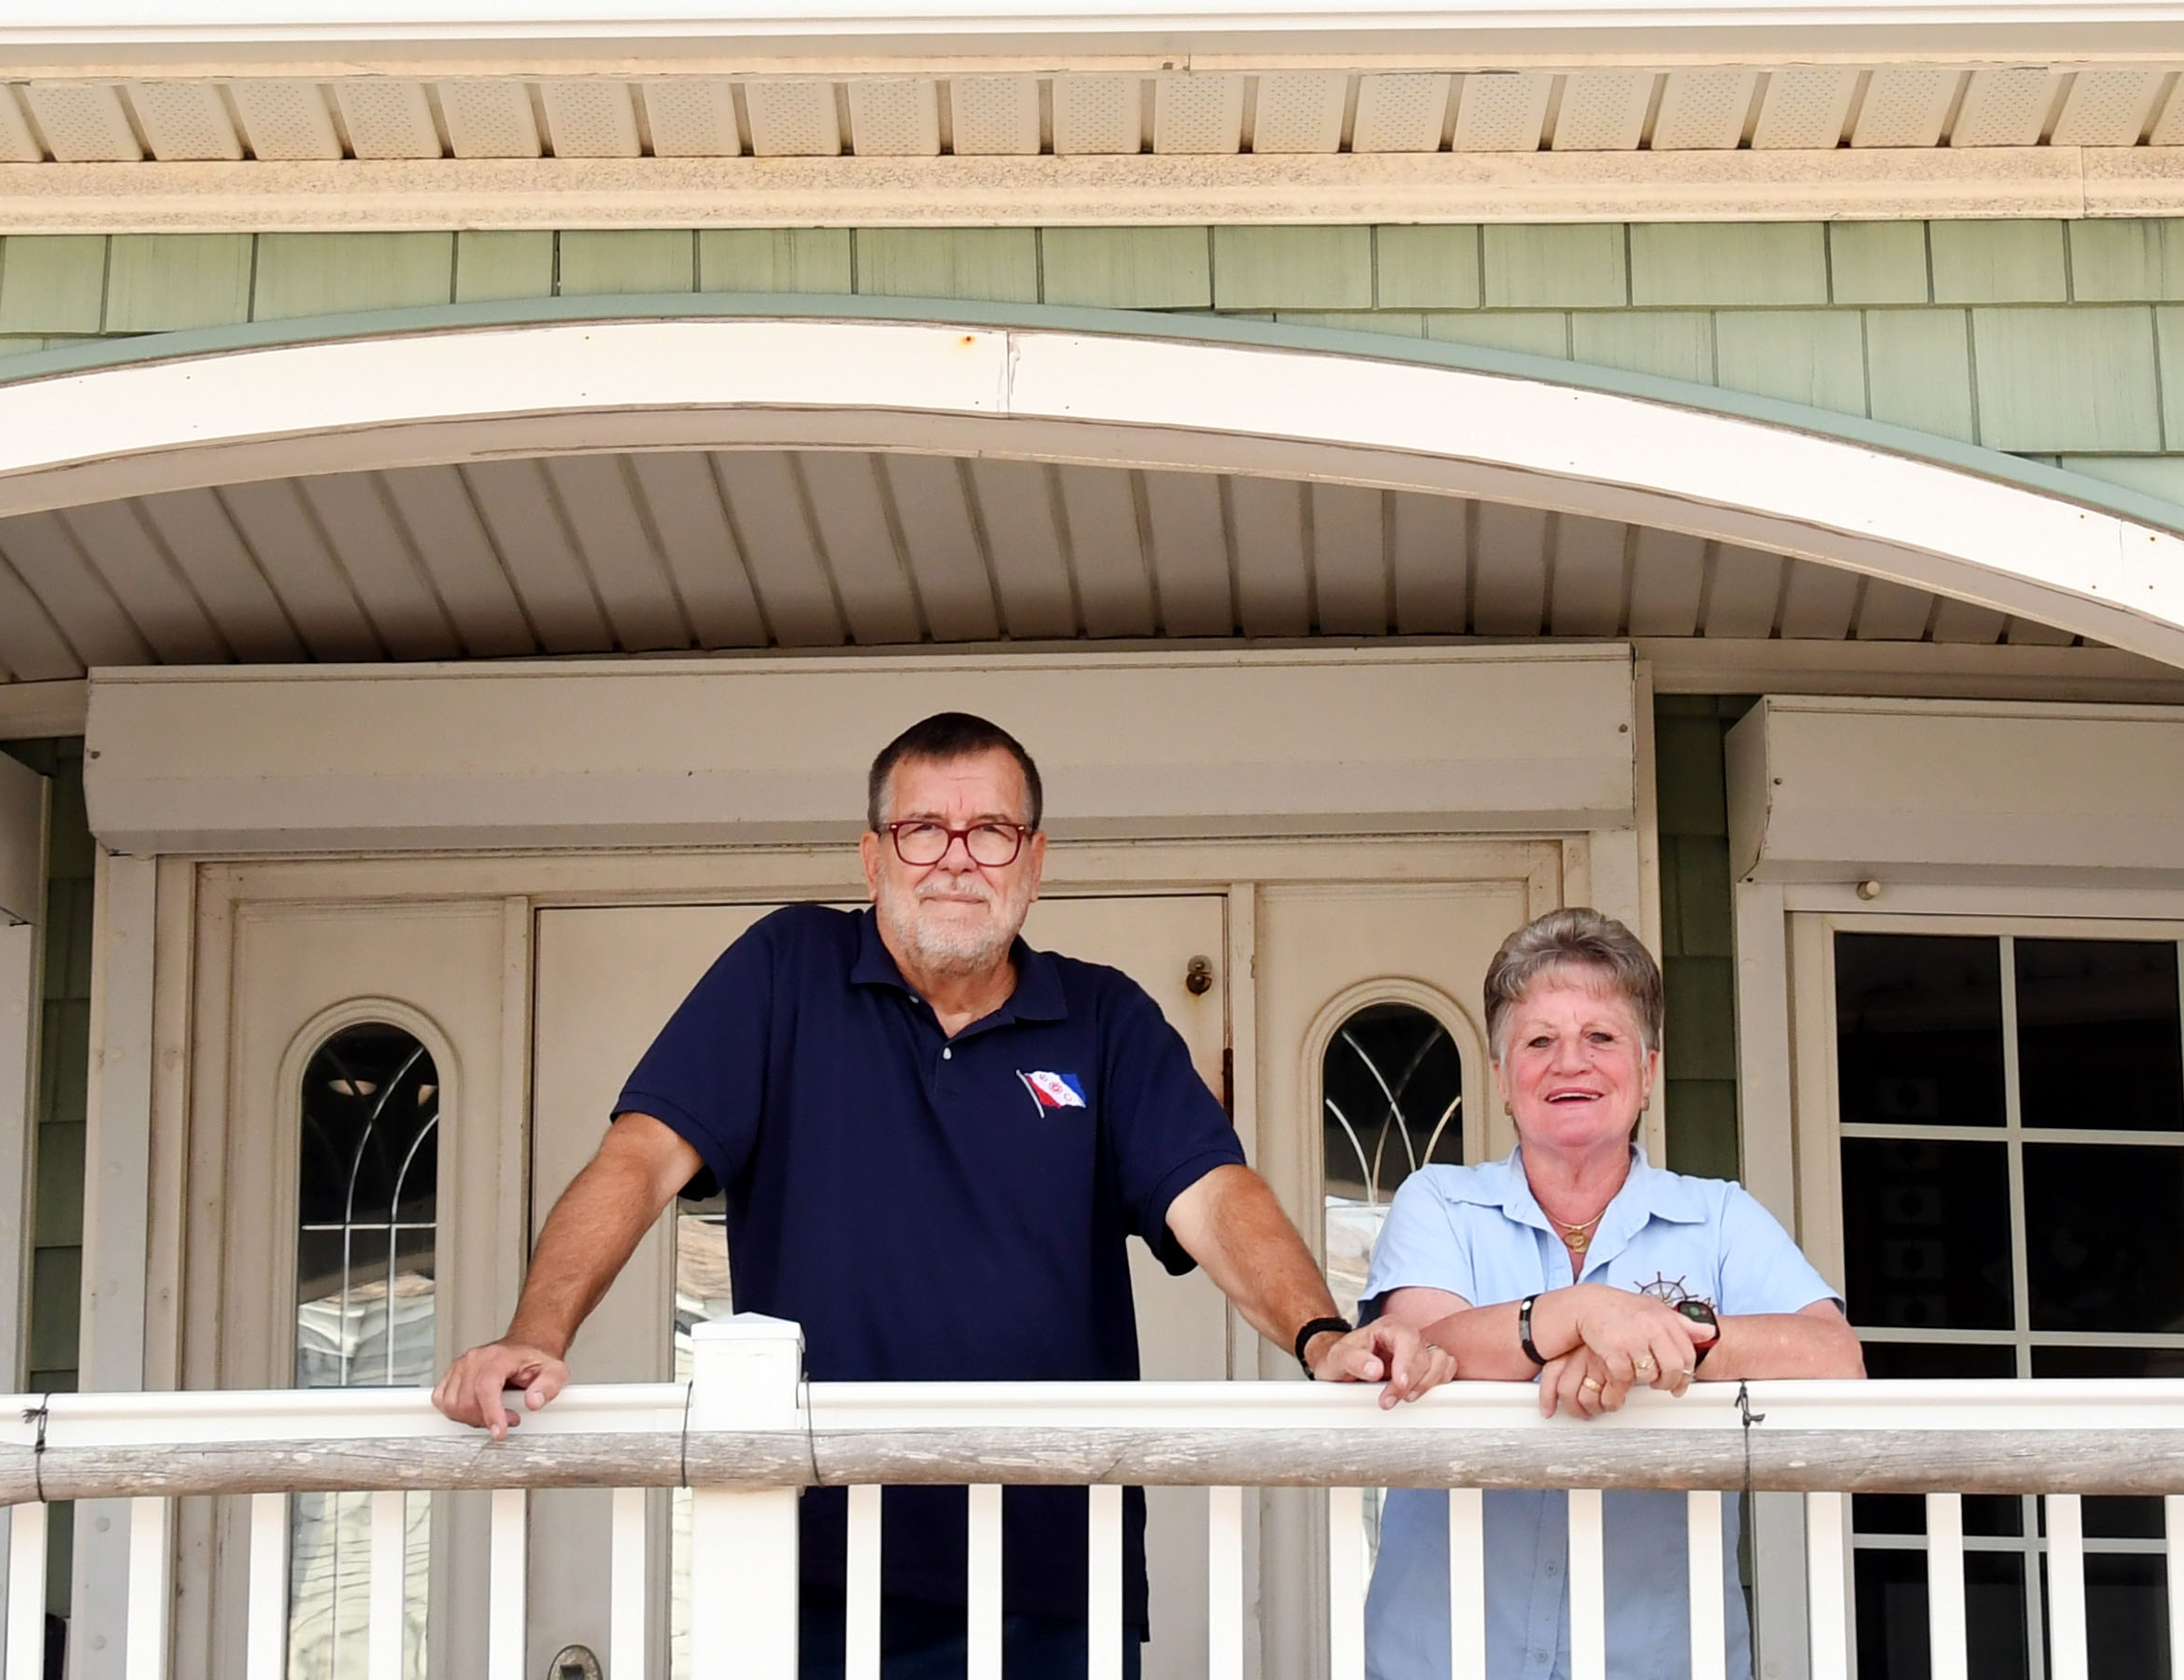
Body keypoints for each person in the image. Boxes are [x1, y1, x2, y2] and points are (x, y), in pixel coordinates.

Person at [436, 709, 1445, 1680]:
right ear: (873, 857)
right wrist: (538, 1332)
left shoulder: (1103, 1018)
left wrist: (1321, 1337)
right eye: (923, 828)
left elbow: (1213, 1195)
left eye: (991, 830)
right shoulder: (785, 971)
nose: (957, 857)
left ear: (1034, 859)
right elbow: (637, 1159)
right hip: (813, 1566)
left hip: (1053, 1575)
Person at [1362, 908, 1863, 1680]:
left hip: (1658, 1657)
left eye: (1601, 1037)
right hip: (1450, 1653)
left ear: (1650, 1071)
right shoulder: (1437, 1201)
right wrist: (1575, 1312)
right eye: (1539, 1042)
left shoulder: (1718, 1213)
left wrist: (1652, 1343)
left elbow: (1834, 1356)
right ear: (1500, 1076)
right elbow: (1426, 1347)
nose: (1571, 1063)